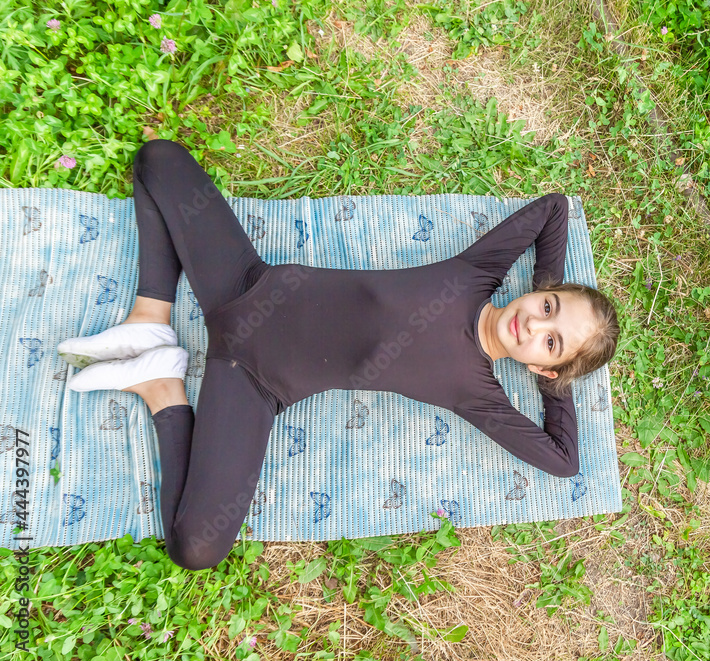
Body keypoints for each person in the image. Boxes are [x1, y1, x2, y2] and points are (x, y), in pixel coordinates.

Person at [59, 140, 619, 571]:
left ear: (544, 366)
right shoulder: (477, 273)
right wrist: (558, 297)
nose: (534, 321)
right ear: (543, 288)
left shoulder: (478, 393)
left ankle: (161, 387)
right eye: (548, 304)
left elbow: (564, 459)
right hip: (243, 285)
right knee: (159, 160)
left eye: (551, 341)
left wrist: (556, 379)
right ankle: (150, 320)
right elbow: (554, 210)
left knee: (197, 548)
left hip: (254, 383)